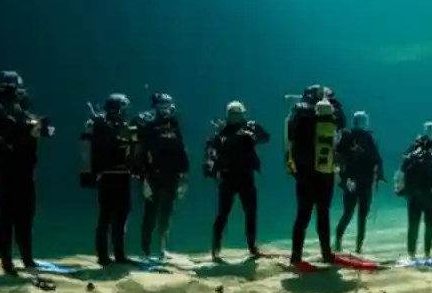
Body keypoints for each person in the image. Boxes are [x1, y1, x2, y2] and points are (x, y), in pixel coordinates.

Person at [0, 71, 55, 276]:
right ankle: (7, 262)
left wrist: (39, 127)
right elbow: (6, 128)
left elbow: (27, 124)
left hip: (24, 167)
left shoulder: (17, 106)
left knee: (26, 213)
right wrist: (27, 128)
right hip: (3, 167)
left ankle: (27, 258)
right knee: (8, 213)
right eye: (14, 89)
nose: (17, 93)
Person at [286, 85, 347, 266]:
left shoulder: (298, 111)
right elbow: (343, 123)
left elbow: (290, 135)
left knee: (303, 214)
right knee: (323, 213)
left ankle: (295, 256)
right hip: (324, 170)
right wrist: (332, 101)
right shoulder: (328, 112)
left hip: (304, 172)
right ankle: (326, 254)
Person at [204, 100, 270, 260]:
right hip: (228, 177)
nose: (236, 117)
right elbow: (210, 153)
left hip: (246, 176)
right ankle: (216, 247)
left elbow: (265, 137)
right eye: (233, 114)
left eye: (238, 114)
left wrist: (253, 134)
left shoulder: (250, 127)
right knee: (223, 213)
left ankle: (252, 245)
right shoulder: (221, 132)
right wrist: (212, 171)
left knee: (250, 212)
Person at [133, 91, 190, 260]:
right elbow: (140, 152)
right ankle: (146, 251)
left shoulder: (174, 123)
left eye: (169, 104)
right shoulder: (146, 124)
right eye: (163, 105)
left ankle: (162, 249)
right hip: (153, 175)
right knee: (150, 213)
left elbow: (181, 150)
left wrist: (183, 176)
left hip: (171, 175)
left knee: (167, 212)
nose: (167, 108)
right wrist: (143, 179)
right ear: (155, 106)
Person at [81, 92, 136, 265]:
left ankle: (119, 254)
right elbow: (93, 148)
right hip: (107, 175)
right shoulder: (98, 125)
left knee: (122, 214)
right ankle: (103, 255)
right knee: (106, 216)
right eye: (123, 108)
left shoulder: (122, 125)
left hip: (123, 174)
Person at [397, 122, 432, 259]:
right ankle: (427, 254)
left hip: (414, 194)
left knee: (413, 225)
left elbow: (402, 170)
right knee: (429, 225)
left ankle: (412, 254)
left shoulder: (413, 150)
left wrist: (402, 189)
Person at [334, 110, 385, 254]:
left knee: (353, 213)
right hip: (358, 179)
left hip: (357, 180)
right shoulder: (353, 135)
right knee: (355, 213)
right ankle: (350, 244)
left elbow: (376, 159)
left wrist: (379, 176)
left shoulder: (356, 135)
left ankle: (348, 244)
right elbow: (377, 159)